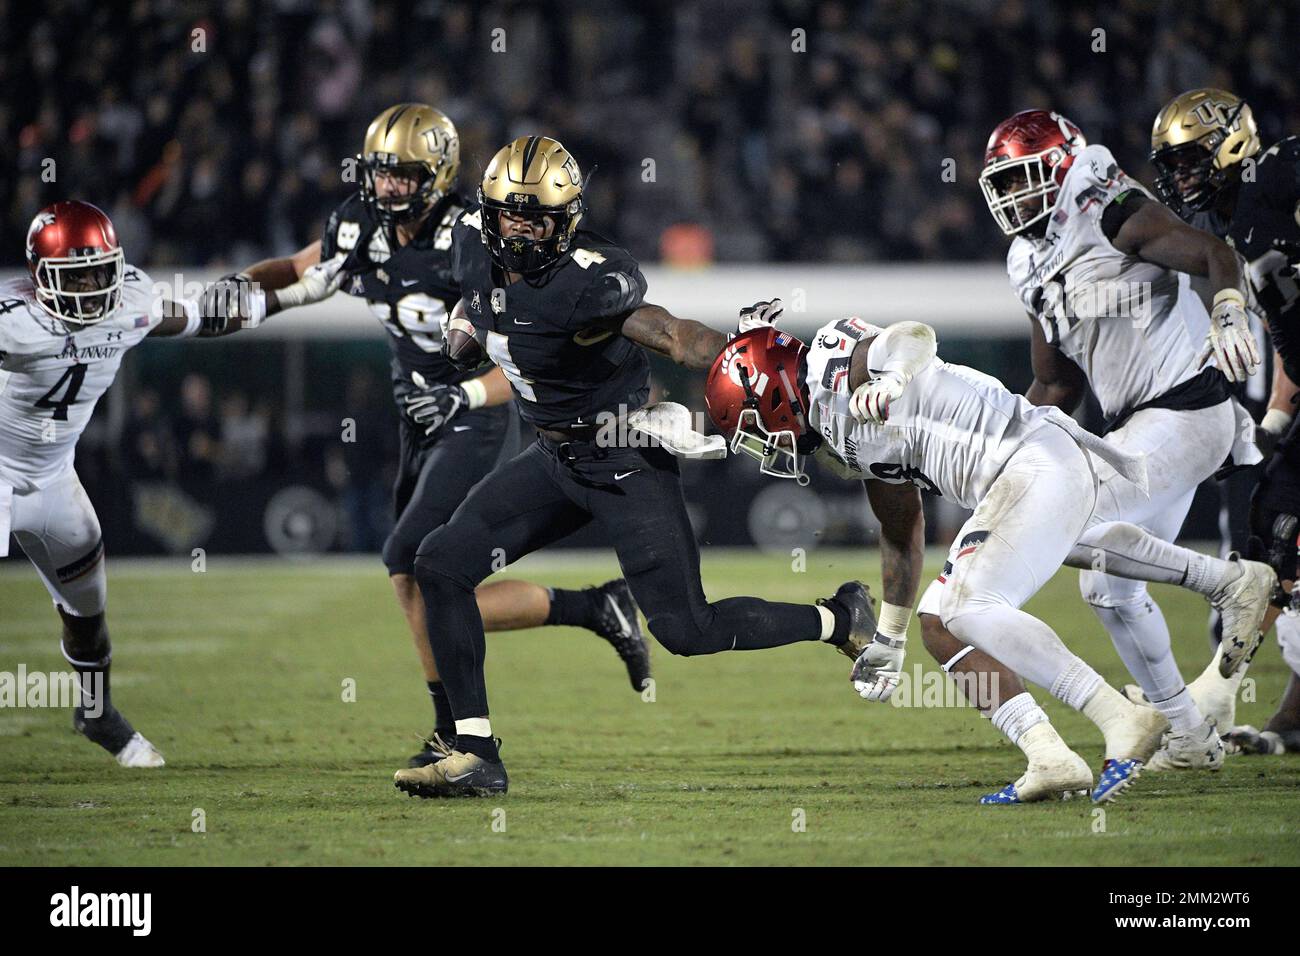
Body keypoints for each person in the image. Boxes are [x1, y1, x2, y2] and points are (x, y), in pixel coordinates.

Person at [393, 136, 876, 798]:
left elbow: (674, 334)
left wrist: (738, 355)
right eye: (514, 214)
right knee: (440, 563)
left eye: (540, 217)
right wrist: (465, 328)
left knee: (687, 630)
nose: (525, 229)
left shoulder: (587, 281)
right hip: (554, 456)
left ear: (566, 219)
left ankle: (840, 619)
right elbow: (476, 300)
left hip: (624, 457)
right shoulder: (473, 246)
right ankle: (475, 750)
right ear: (490, 213)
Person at [223, 105, 652, 767]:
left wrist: (463, 392)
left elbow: (526, 350)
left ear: (440, 173)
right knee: (428, 583)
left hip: (476, 414)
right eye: (382, 174)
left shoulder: (474, 236)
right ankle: (594, 609)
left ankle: (457, 734)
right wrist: (228, 297)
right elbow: (299, 270)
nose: (390, 187)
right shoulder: (359, 225)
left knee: (410, 564)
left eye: (406, 175)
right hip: (419, 419)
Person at [708, 318, 1270, 803]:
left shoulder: (834, 360)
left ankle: (1121, 716)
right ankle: (1051, 754)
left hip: (1029, 459)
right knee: (938, 625)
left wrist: (893, 377)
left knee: (969, 606)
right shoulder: (830, 442)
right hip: (1017, 478)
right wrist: (889, 638)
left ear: (774, 387)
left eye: (752, 423)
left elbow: (913, 335)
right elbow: (900, 527)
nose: (761, 443)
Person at [0, 200, 260, 767]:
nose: (94, 287)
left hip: (53, 477)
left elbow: (201, 319)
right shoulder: (12, 324)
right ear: (42, 277)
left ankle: (96, 714)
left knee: (88, 613)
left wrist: (278, 296)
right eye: (79, 275)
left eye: (101, 272)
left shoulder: (128, 306)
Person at [1150, 88, 1300, 753]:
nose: (1182, 177)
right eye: (1172, 166)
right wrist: (1272, 423)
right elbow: (1292, 338)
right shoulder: (1235, 230)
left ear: (1231, 144)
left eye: (1190, 161)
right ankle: (1275, 714)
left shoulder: (1276, 173)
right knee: (1275, 522)